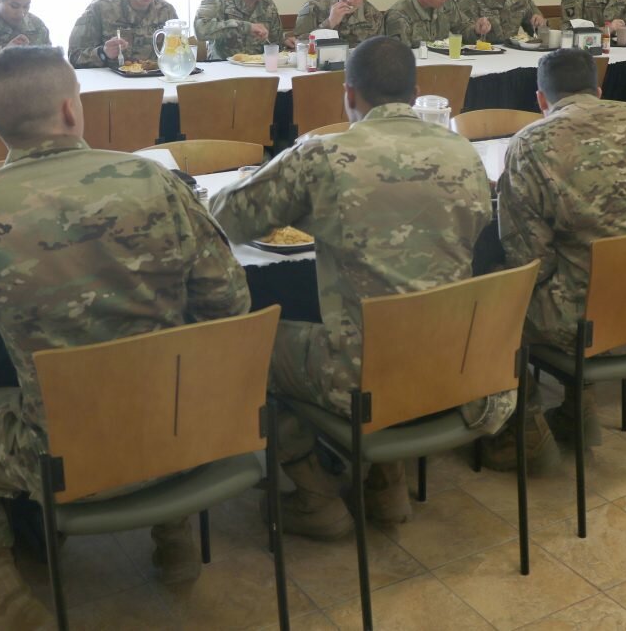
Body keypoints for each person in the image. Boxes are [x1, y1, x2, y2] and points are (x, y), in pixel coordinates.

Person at [0, 46, 251, 629]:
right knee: (155, 372)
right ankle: (174, 538)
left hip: (63, 460)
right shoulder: (156, 181)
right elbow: (229, 303)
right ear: (70, 109)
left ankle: (2, 594)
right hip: (186, 432)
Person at [211, 36, 511, 539]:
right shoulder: (463, 152)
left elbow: (226, 219)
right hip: (454, 359)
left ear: (348, 94)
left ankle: (316, 494)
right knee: (396, 311)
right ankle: (384, 484)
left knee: (250, 348)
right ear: (416, 93)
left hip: (361, 371)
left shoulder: (324, 157)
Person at [496, 48, 626, 456]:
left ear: (541, 100)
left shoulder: (533, 143)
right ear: (598, 89)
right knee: (583, 265)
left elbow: (529, 261)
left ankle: (523, 426)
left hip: (587, 323)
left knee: (494, 300)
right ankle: (576, 407)